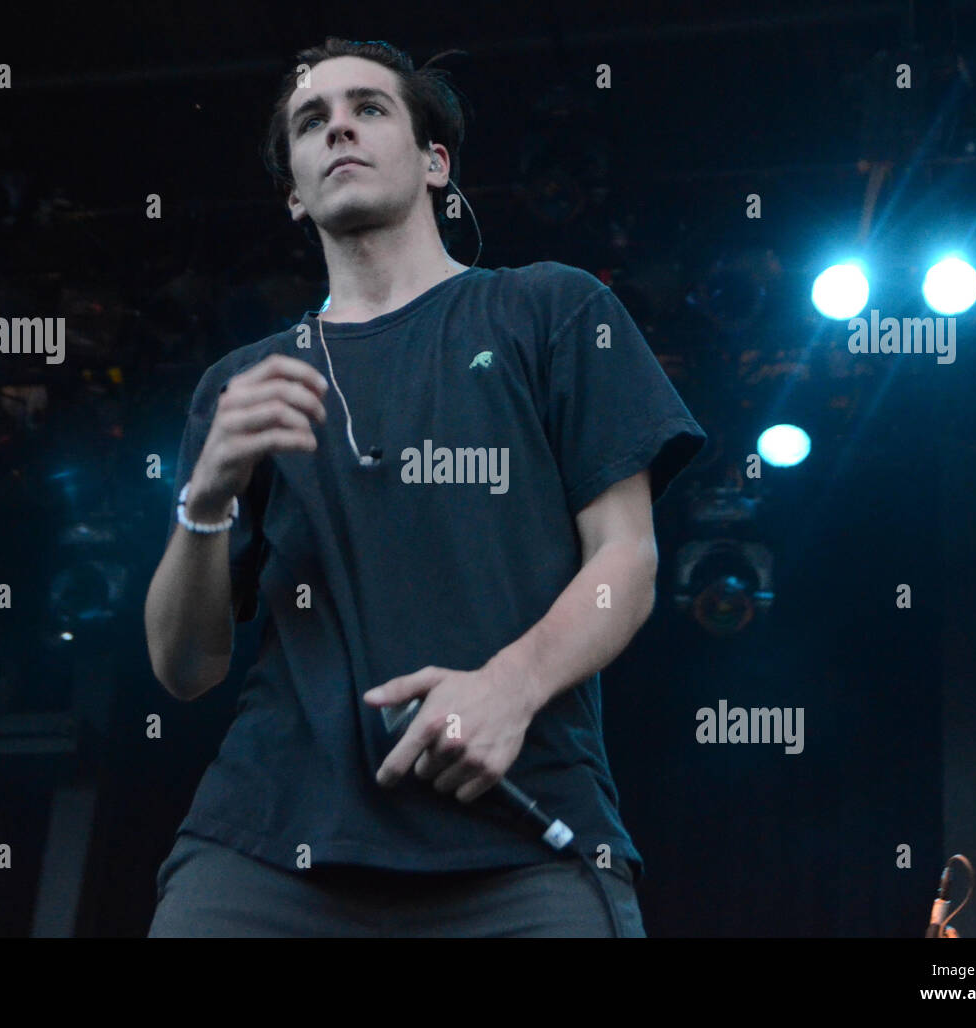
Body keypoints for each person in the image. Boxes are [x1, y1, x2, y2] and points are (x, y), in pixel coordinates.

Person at [144, 36, 706, 938]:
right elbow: (185, 667)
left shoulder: (550, 310)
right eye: (310, 123)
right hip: (265, 853)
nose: (339, 131)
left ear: (435, 160)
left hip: (523, 842)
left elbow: (626, 559)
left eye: (369, 109)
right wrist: (202, 502)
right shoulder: (240, 385)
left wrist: (510, 686)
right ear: (294, 190)